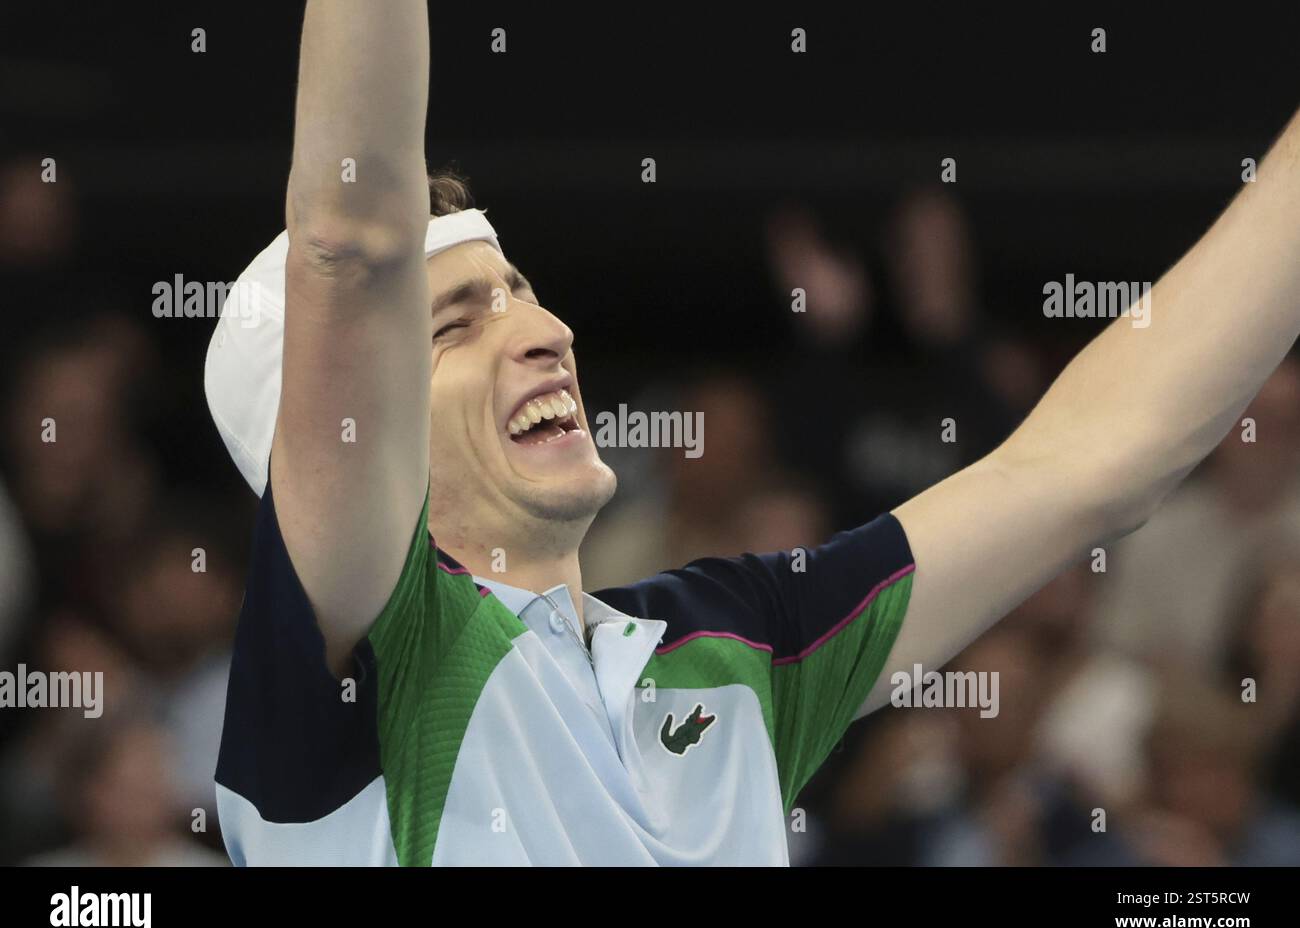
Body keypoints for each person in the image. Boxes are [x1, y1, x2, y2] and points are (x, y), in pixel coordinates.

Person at [204, 2, 1300, 865]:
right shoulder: (347, 673)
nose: (544, 331)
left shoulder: (731, 641)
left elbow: (1093, 459)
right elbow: (351, 240)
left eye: (520, 290)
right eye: (454, 324)